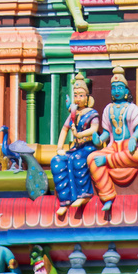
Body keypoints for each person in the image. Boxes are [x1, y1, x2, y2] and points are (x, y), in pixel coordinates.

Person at [87, 65, 138, 212]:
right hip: (113, 147)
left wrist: (133, 139)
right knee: (91, 158)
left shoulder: (132, 108)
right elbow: (107, 133)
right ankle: (107, 196)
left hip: (128, 147)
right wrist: (98, 140)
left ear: (126, 91)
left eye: (120, 87)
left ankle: (107, 161)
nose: (116, 91)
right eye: (114, 88)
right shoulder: (108, 109)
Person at [51, 73, 100, 216]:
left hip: (88, 147)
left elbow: (94, 129)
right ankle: (65, 201)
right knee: (57, 161)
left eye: (81, 95)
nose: (78, 99)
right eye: (76, 95)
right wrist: (59, 148)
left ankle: (84, 195)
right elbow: (65, 129)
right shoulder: (73, 114)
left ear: (88, 98)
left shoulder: (92, 113)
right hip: (75, 148)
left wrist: (79, 135)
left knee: (76, 159)